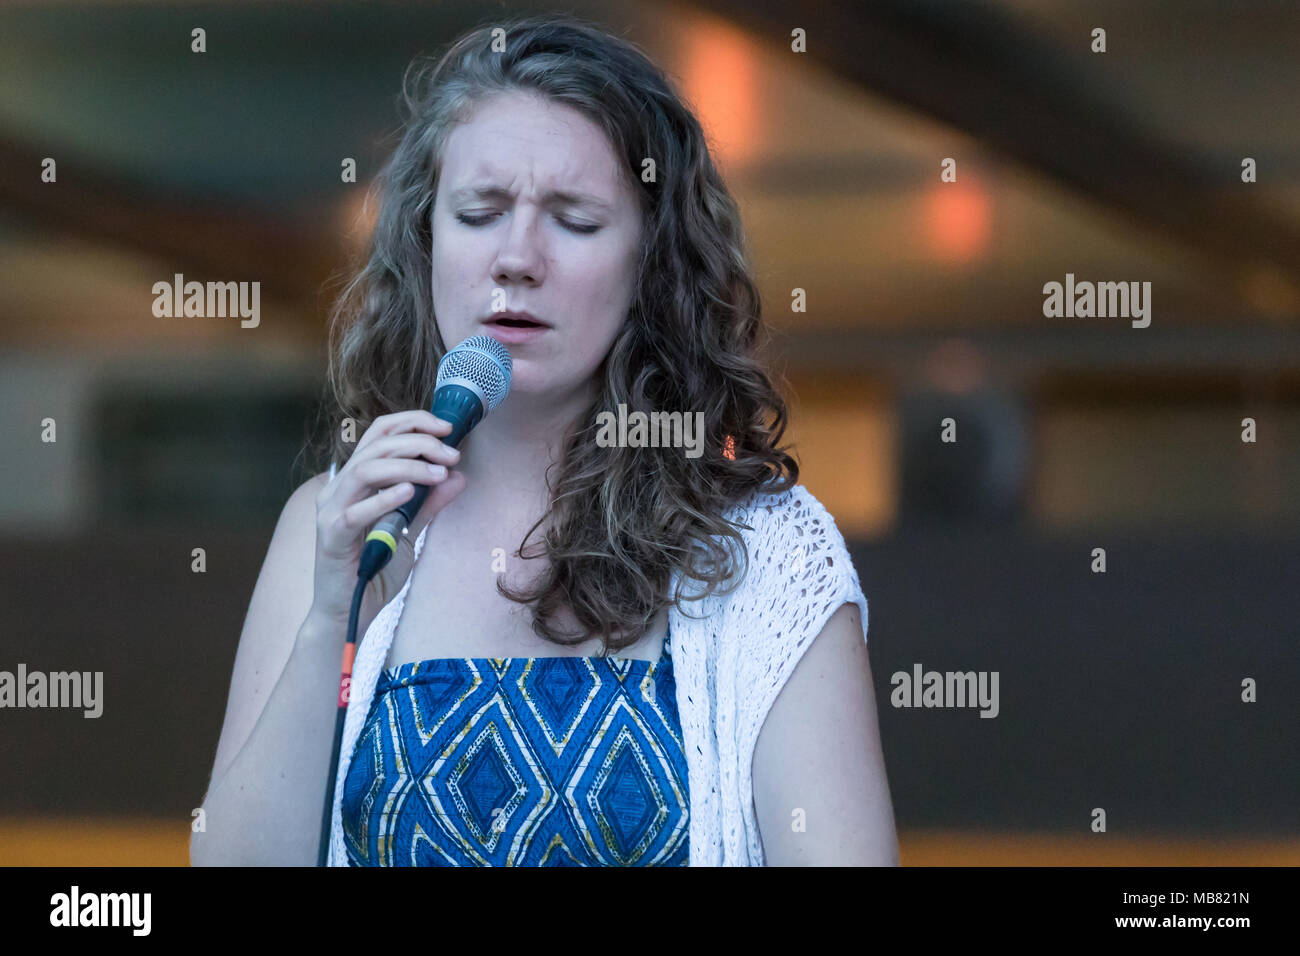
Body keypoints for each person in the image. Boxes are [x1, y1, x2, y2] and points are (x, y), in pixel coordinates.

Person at [192, 13, 898, 867]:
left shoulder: (765, 549)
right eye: (480, 212)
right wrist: (331, 617)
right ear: (425, 243)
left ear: (651, 262)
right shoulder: (340, 521)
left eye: (575, 220)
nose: (517, 258)